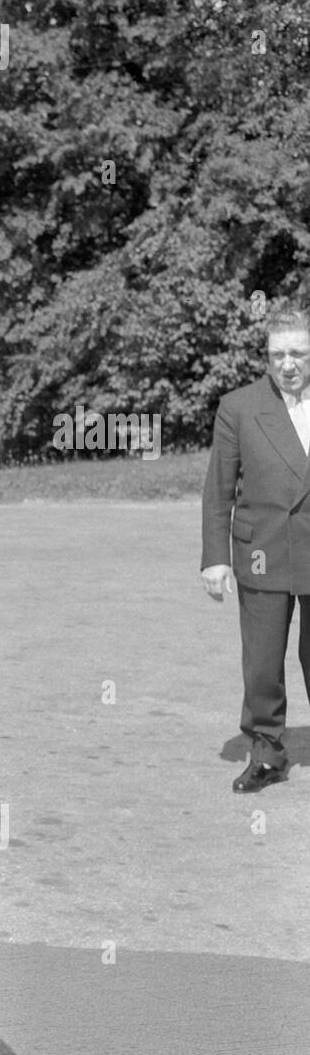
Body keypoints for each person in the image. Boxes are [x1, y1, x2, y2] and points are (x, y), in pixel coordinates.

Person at [202, 306, 310, 792]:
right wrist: (216, 558)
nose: (288, 364)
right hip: (261, 550)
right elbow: (218, 488)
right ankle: (266, 753)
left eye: (298, 354)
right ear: (266, 356)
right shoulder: (239, 406)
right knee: (263, 662)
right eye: (277, 354)